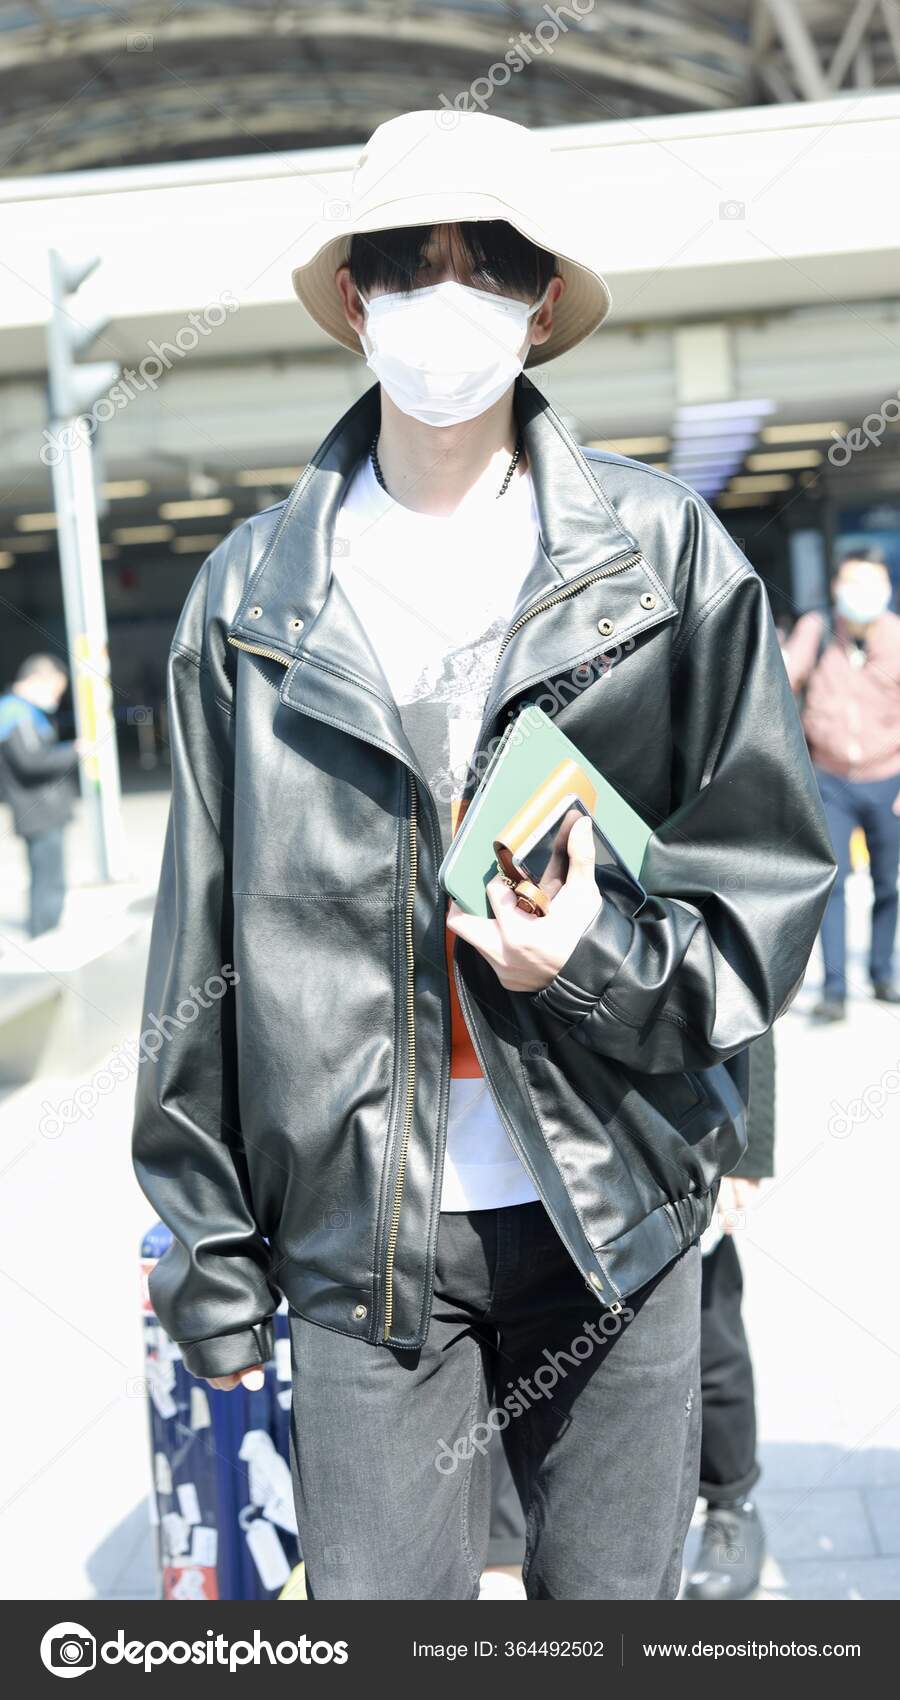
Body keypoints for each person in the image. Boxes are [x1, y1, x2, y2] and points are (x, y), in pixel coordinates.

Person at [132, 109, 837, 1601]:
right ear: (352, 299)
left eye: (490, 261)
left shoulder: (664, 560)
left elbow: (762, 898)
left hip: (617, 1211)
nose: (447, 297)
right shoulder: (251, 595)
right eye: (409, 261)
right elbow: (192, 946)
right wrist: (210, 1262)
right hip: (356, 1248)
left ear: (539, 300)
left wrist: (594, 964)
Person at [782, 549, 900, 1020]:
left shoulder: (896, 636)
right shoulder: (815, 630)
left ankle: (882, 972)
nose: (862, 594)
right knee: (833, 883)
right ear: (836, 588)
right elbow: (780, 680)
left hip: (888, 777)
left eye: (872, 584)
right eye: (853, 583)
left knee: (887, 883)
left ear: (888, 588)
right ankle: (835, 989)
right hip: (828, 779)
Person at [684, 1026, 776, 1602]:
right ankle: (505, 1534)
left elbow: (750, 983)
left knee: (710, 1329)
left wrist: (749, 1144)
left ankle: (730, 1502)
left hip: (682, 1126)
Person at [0, 653, 79, 937]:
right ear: (36, 680)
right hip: (38, 810)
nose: (57, 699)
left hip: (44, 810)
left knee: (49, 879)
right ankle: (44, 937)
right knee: (48, 882)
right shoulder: (15, 714)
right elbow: (31, 762)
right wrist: (74, 750)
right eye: (55, 690)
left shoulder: (23, 713)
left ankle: (46, 932)